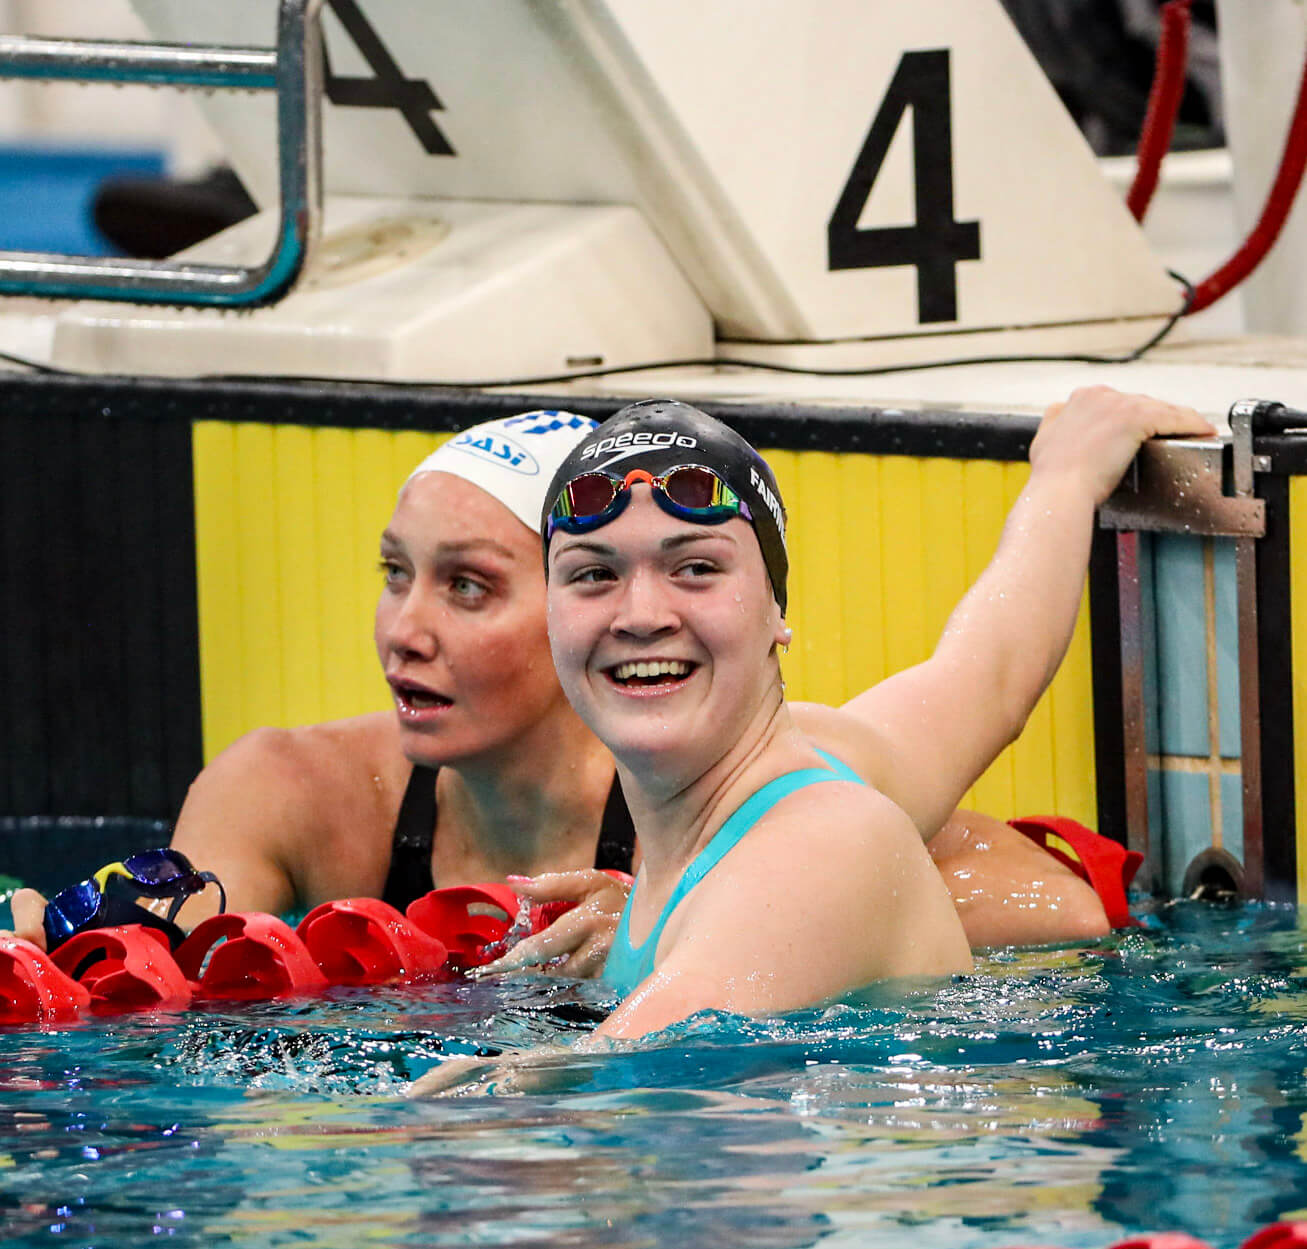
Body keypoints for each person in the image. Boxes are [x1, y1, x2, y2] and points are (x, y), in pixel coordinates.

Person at [8, 398, 1132, 962]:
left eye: (466, 587)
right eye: (395, 575)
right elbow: (152, 993)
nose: (404, 630)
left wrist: (692, 923)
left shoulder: (753, 799)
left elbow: (997, 731)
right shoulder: (294, 791)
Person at [527, 388, 1213, 1041]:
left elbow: (573, 1094)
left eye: (696, 569)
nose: (641, 615)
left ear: (776, 610)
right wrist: (1066, 479)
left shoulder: (816, 851)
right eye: (593, 574)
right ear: (550, 614)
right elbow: (987, 675)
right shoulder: (818, 756)